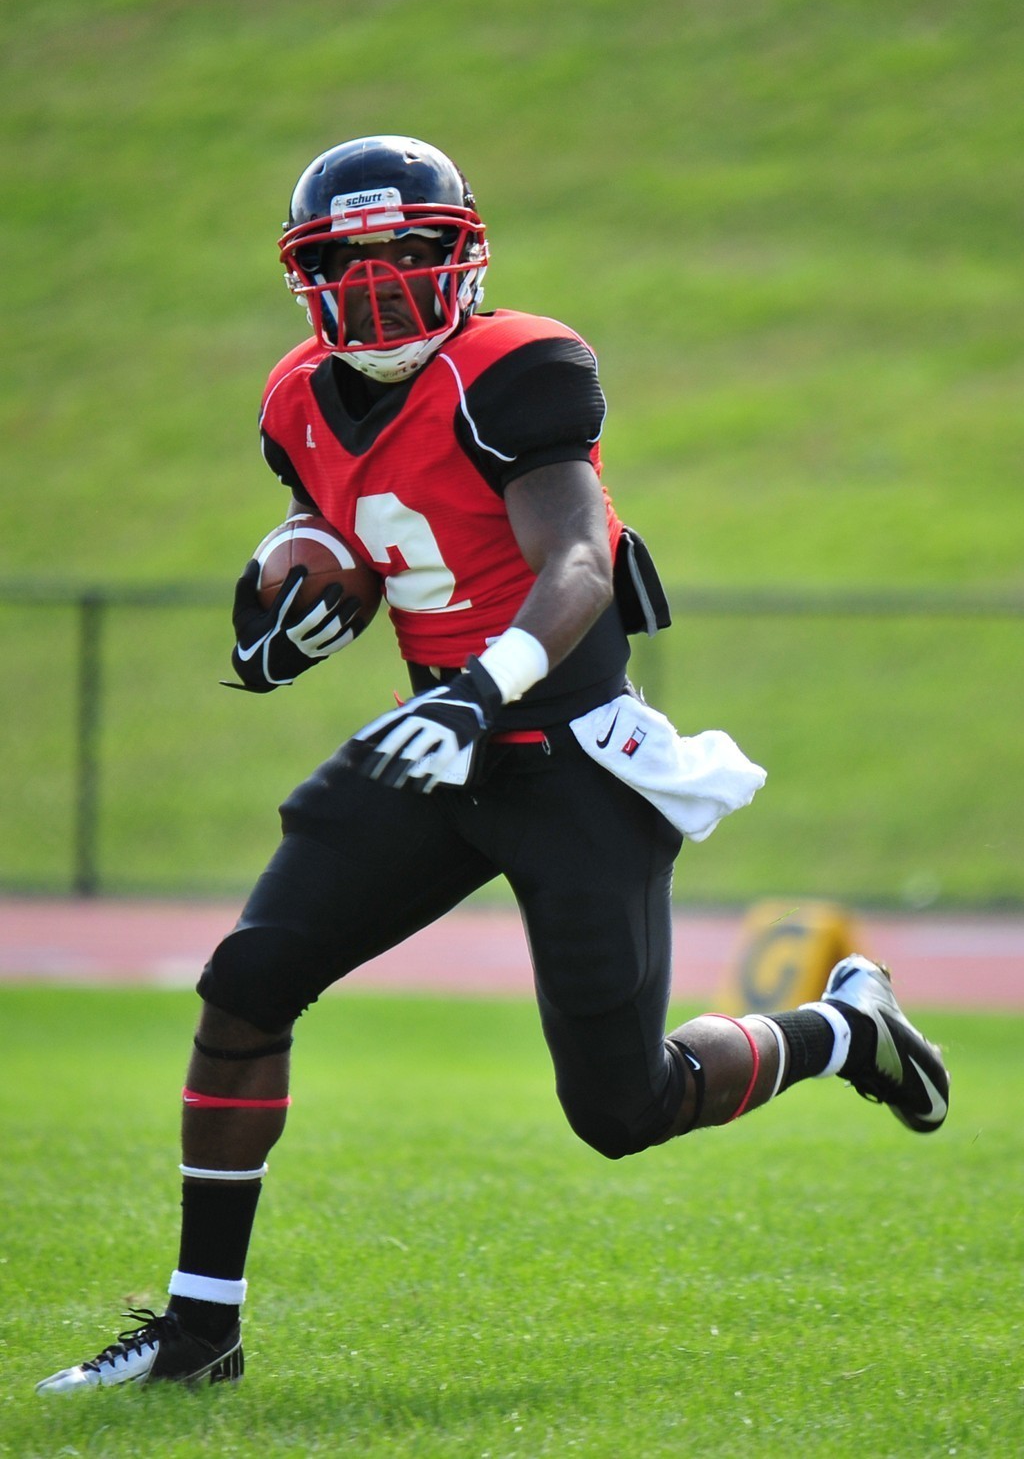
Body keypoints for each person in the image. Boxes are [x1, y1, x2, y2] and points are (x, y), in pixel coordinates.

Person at [37, 136, 950, 1393]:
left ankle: (844, 1028)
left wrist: (482, 686)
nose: (378, 285)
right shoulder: (294, 398)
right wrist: (292, 604)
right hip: (436, 743)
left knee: (622, 1109)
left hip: (566, 753)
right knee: (247, 984)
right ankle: (199, 1335)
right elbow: (347, 535)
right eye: (349, 262)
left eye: (408, 251)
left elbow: (575, 557)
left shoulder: (517, 367)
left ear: (461, 256)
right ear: (307, 277)